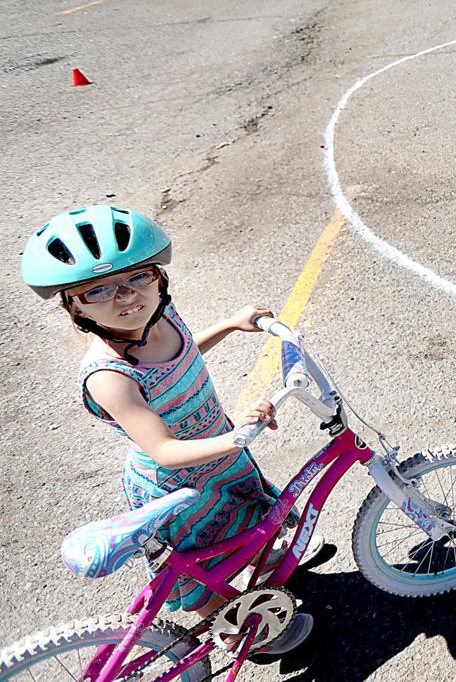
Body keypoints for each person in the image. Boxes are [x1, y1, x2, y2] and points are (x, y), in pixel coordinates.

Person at [21, 204, 318, 655]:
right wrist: (237, 434)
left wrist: (228, 325)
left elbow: (182, 358)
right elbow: (162, 450)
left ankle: (257, 560)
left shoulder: (158, 315)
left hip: (219, 456)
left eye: (139, 277)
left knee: (244, 524)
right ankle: (241, 633)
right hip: (179, 483)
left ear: (159, 278)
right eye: (98, 289)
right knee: (198, 570)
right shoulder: (109, 376)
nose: (125, 297)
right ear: (72, 306)